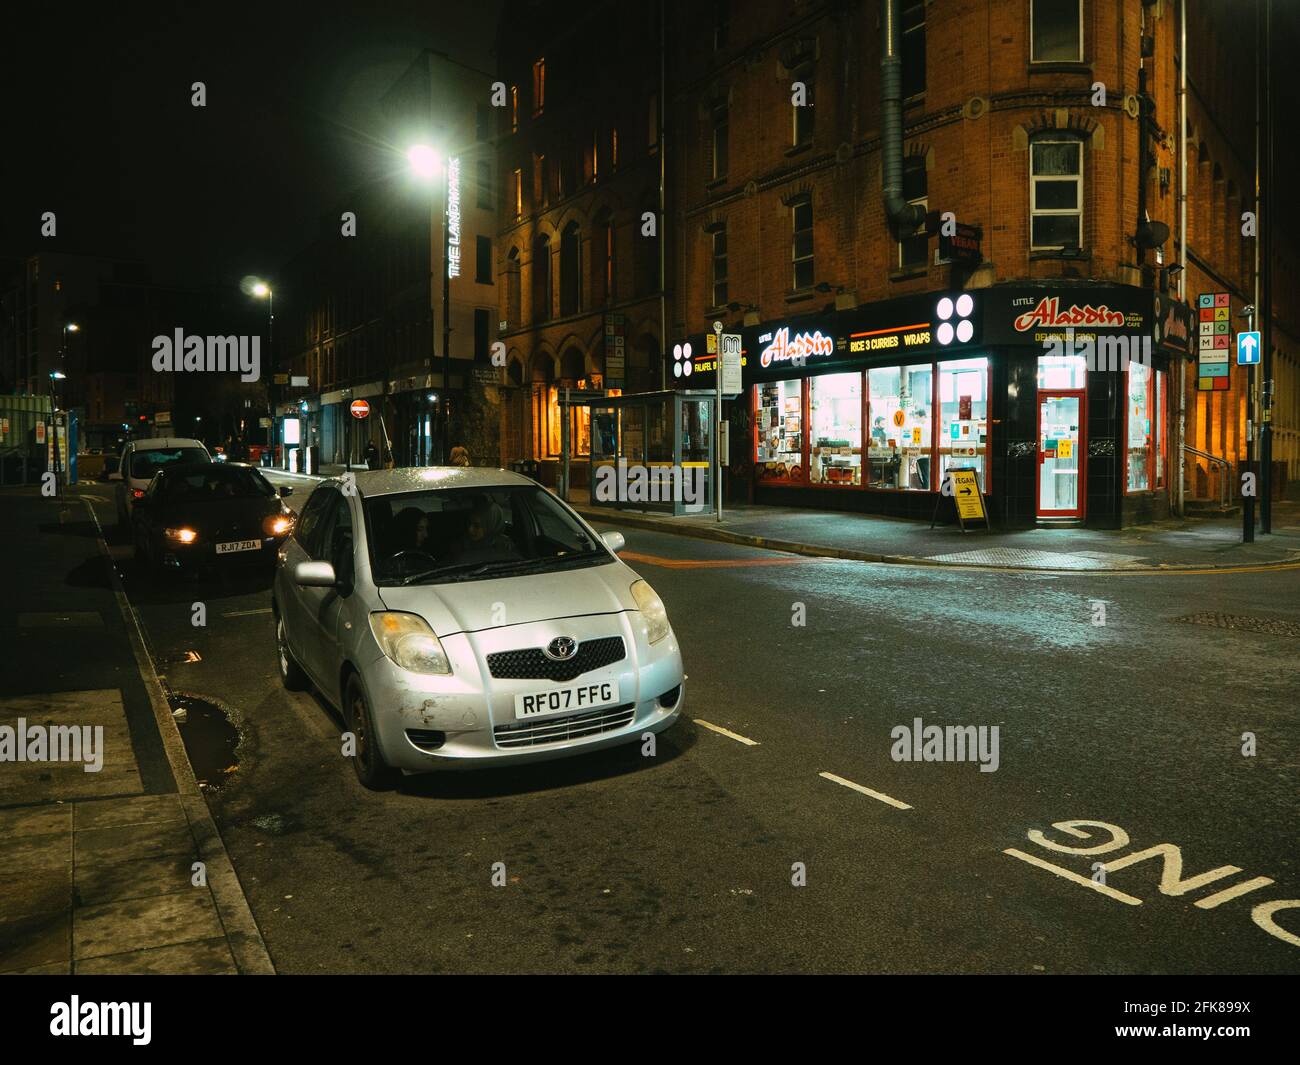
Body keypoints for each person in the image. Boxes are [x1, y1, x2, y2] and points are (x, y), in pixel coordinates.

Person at [455, 498, 516, 563]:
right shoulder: (462, 544)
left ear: (490, 525)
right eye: (469, 523)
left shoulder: (505, 546)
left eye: (477, 525)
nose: (470, 529)